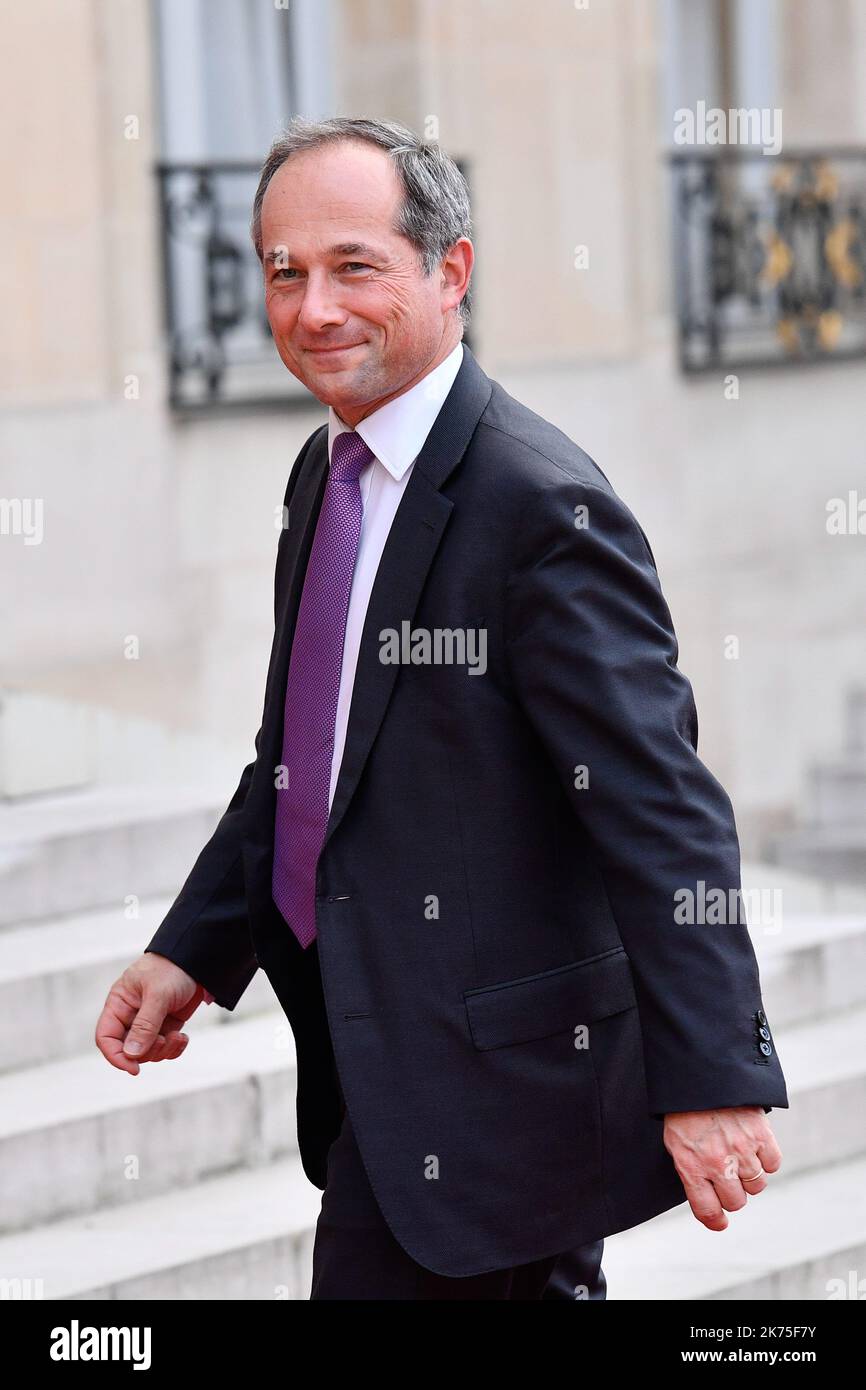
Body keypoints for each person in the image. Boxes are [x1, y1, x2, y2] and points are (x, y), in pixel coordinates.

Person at [95, 117, 787, 1301]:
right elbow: (302, 757)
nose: (313, 308)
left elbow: (657, 804)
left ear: (448, 271)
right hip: (384, 1071)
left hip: (501, 1107)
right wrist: (195, 947)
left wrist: (715, 1071)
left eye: (354, 266)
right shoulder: (325, 475)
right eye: (283, 272)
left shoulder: (538, 505)